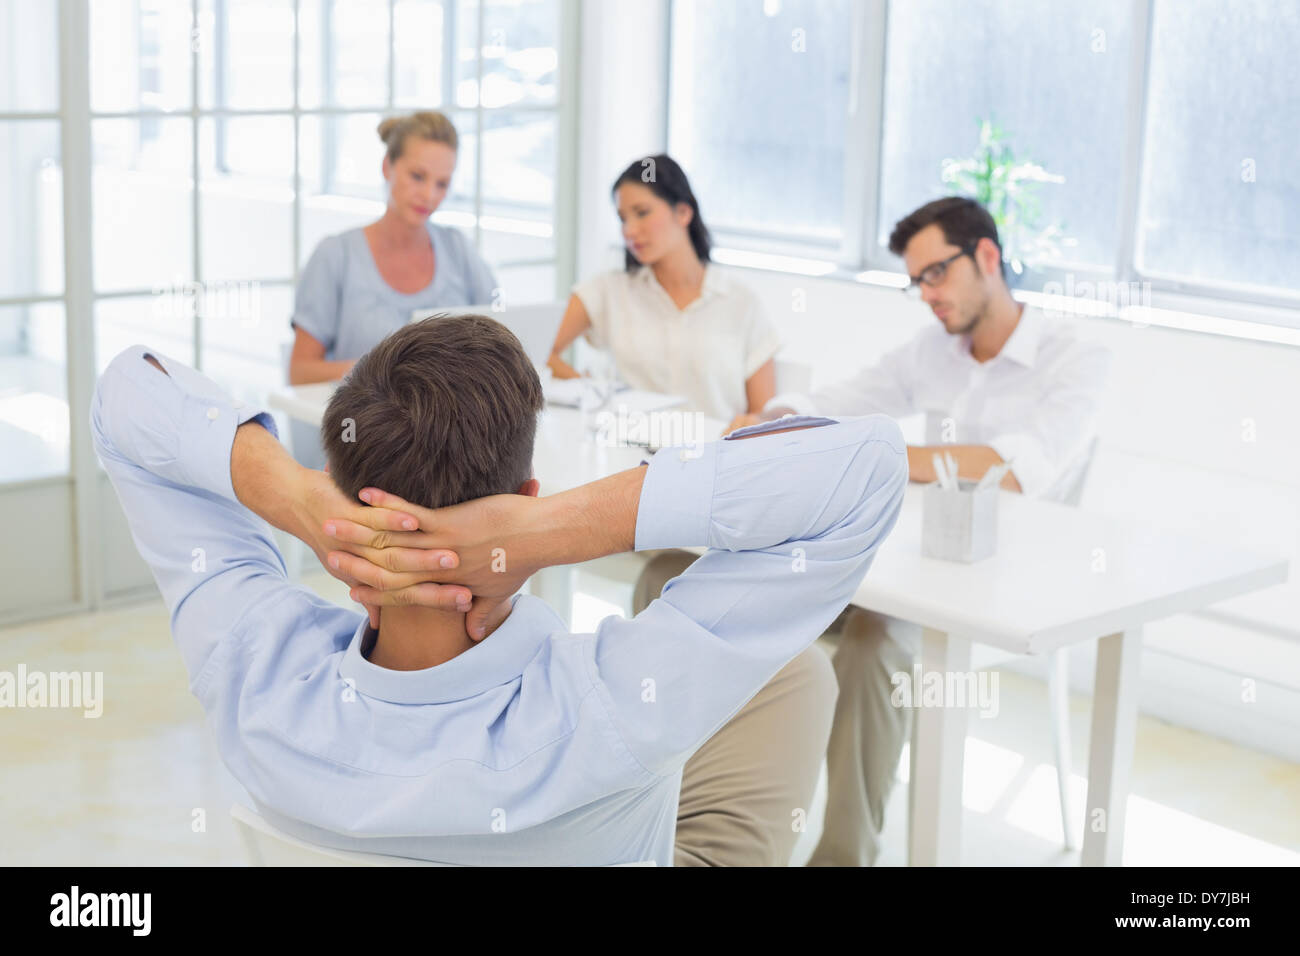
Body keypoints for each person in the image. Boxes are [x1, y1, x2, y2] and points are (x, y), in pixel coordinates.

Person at [91, 315, 908, 866]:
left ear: (346, 480)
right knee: (800, 676)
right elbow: (865, 472)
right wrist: (540, 532)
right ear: (523, 486)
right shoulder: (609, 705)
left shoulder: (253, 673)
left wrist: (300, 502)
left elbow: (127, 391)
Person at [724, 196, 1112, 866]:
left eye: (935, 273)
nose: (926, 294)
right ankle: (713, 834)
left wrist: (879, 459)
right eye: (915, 282)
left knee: (873, 643)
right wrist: (774, 417)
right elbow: (840, 402)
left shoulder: (1073, 356)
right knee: (718, 588)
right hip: (910, 568)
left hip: (1002, 587)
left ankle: (844, 857)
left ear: (986, 257)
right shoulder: (933, 349)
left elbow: (1012, 471)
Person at [287, 110, 497, 469]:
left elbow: (499, 335)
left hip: (451, 444)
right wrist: (387, 372)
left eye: (442, 184)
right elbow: (301, 371)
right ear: (388, 166)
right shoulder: (336, 255)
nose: (429, 195)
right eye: (418, 176)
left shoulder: (458, 250)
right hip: (366, 444)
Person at [547, 154, 780, 422]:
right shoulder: (608, 290)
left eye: (642, 213)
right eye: (623, 218)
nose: (629, 230)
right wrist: (592, 391)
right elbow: (536, 352)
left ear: (683, 212)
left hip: (714, 456)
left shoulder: (740, 301)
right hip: (632, 454)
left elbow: (763, 419)